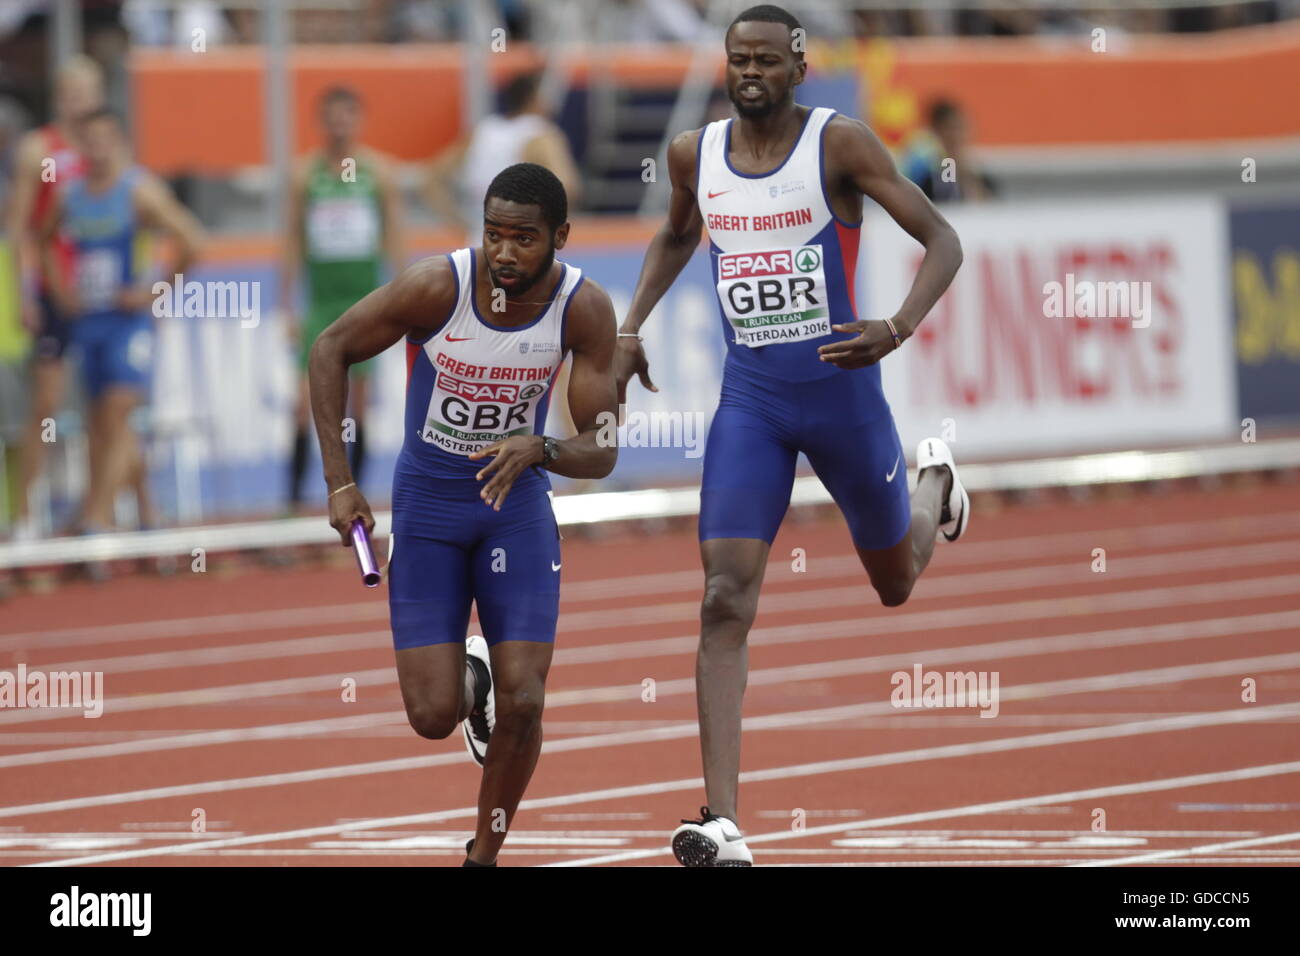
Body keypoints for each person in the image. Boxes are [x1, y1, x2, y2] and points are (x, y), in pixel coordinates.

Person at [614, 4, 969, 866]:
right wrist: (629, 328)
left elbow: (943, 240)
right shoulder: (694, 153)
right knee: (722, 596)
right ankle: (723, 820)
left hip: (845, 395)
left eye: (767, 60)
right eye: (739, 58)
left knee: (894, 581)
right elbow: (674, 234)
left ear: (799, 68)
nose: (750, 73)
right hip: (755, 405)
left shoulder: (840, 145)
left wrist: (896, 325)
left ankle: (936, 486)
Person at [308, 163, 618, 867]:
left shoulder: (583, 310)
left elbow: (601, 451)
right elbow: (330, 349)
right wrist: (339, 483)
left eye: (525, 239)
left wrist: (541, 446)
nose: (505, 253)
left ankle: (484, 855)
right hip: (430, 508)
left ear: (561, 238)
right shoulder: (438, 286)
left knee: (528, 701)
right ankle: (467, 680)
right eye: (494, 235)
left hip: (515, 512)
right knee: (430, 716)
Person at [38, 106, 202, 535]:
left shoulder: (137, 191)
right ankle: (148, 511)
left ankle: (95, 516)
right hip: (88, 321)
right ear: (80, 147)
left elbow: (191, 239)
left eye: (105, 139)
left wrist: (155, 292)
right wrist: (60, 291)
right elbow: (42, 238)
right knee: (101, 423)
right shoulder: (68, 195)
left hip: (127, 324)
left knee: (116, 411)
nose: (97, 149)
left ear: (119, 143)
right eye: (88, 140)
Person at [282, 86, 404, 513]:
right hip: (320, 304)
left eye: (346, 116)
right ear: (321, 122)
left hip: (365, 302)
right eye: (331, 117)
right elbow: (292, 242)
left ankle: (356, 498)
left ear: (357, 120)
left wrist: (405, 299)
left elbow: (394, 240)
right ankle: (294, 505)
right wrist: (286, 307)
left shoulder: (377, 172)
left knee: (360, 407)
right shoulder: (304, 175)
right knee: (303, 404)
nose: (339, 125)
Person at [4, 55, 100, 539]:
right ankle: (23, 519)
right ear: (62, 97)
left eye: (92, 93)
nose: (84, 103)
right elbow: (19, 227)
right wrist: (25, 293)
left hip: (100, 298)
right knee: (44, 408)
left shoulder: (106, 152)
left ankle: (100, 515)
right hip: (53, 294)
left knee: (113, 405)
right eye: (76, 93)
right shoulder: (40, 150)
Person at [425, 72, 581, 243]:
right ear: (535, 99)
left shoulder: (484, 131)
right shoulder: (541, 135)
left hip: (481, 237)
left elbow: (432, 178)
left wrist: (457, 221)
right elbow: (568, 187)